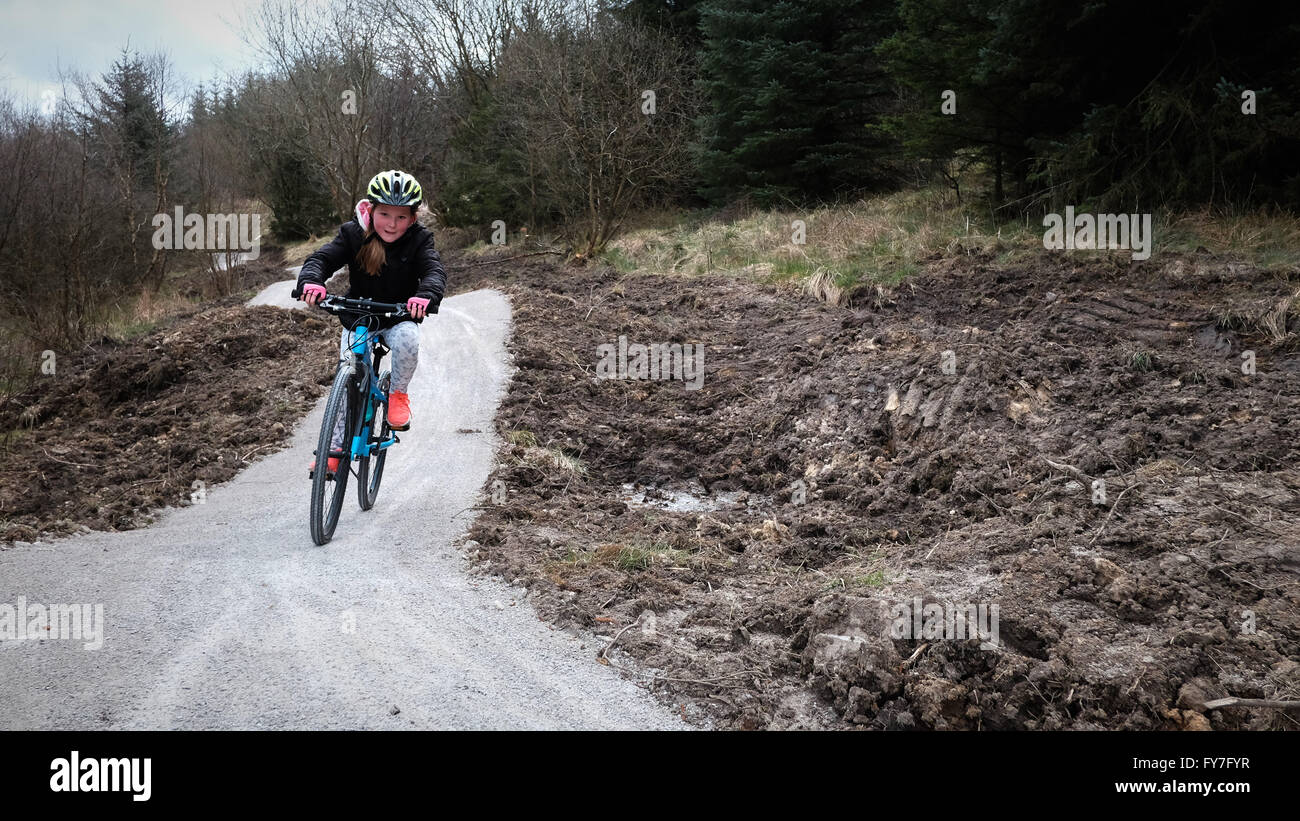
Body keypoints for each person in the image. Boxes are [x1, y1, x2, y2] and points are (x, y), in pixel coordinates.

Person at [296, 169, 447, 476]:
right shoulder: (353, 233)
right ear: (371, 209)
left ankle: (397, 395)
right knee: (348, 372)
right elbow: (322, 259)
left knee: (408, 340)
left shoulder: (420, 240)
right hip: (359, 317)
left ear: (413, 218)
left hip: (397, 316)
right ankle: (334, 452)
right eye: (385, 214)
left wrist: (425, 296)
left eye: (402, 217)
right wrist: (312, 282)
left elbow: (434, 271)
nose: (392, 224)